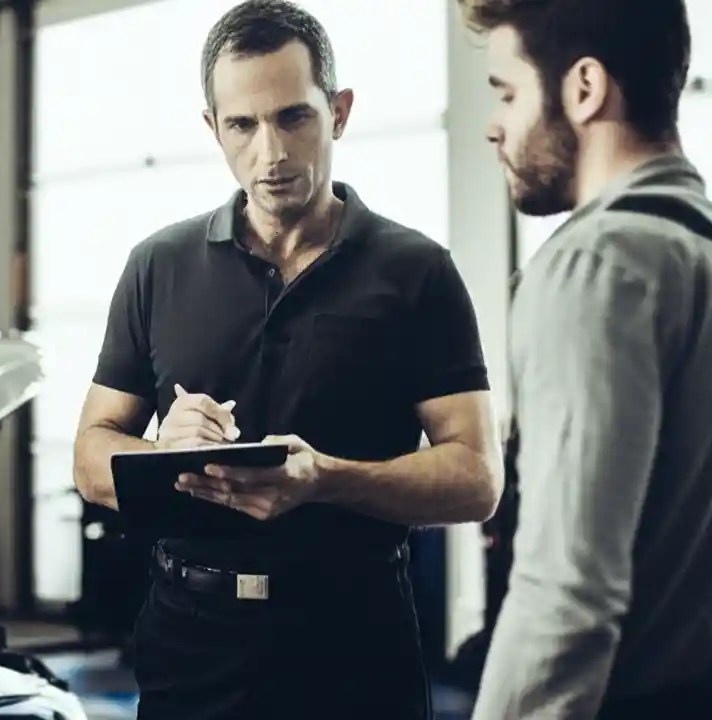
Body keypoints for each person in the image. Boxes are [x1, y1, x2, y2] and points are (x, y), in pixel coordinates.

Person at [73, 1, 505, 718]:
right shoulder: (157, 266)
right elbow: (89, 458)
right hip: (191, 644)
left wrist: (324, 479)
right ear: (213, 128)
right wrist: (161, 451)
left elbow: (477, 478)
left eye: (293, 117)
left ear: (338, 111)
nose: (270, 153)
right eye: (242, 125)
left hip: (354, 646)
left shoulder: (417, 272)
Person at [452, 1, 712, 718]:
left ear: (584, 88)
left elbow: (565, 595)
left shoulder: (598, 265)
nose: (493, 124)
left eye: (506, 92)